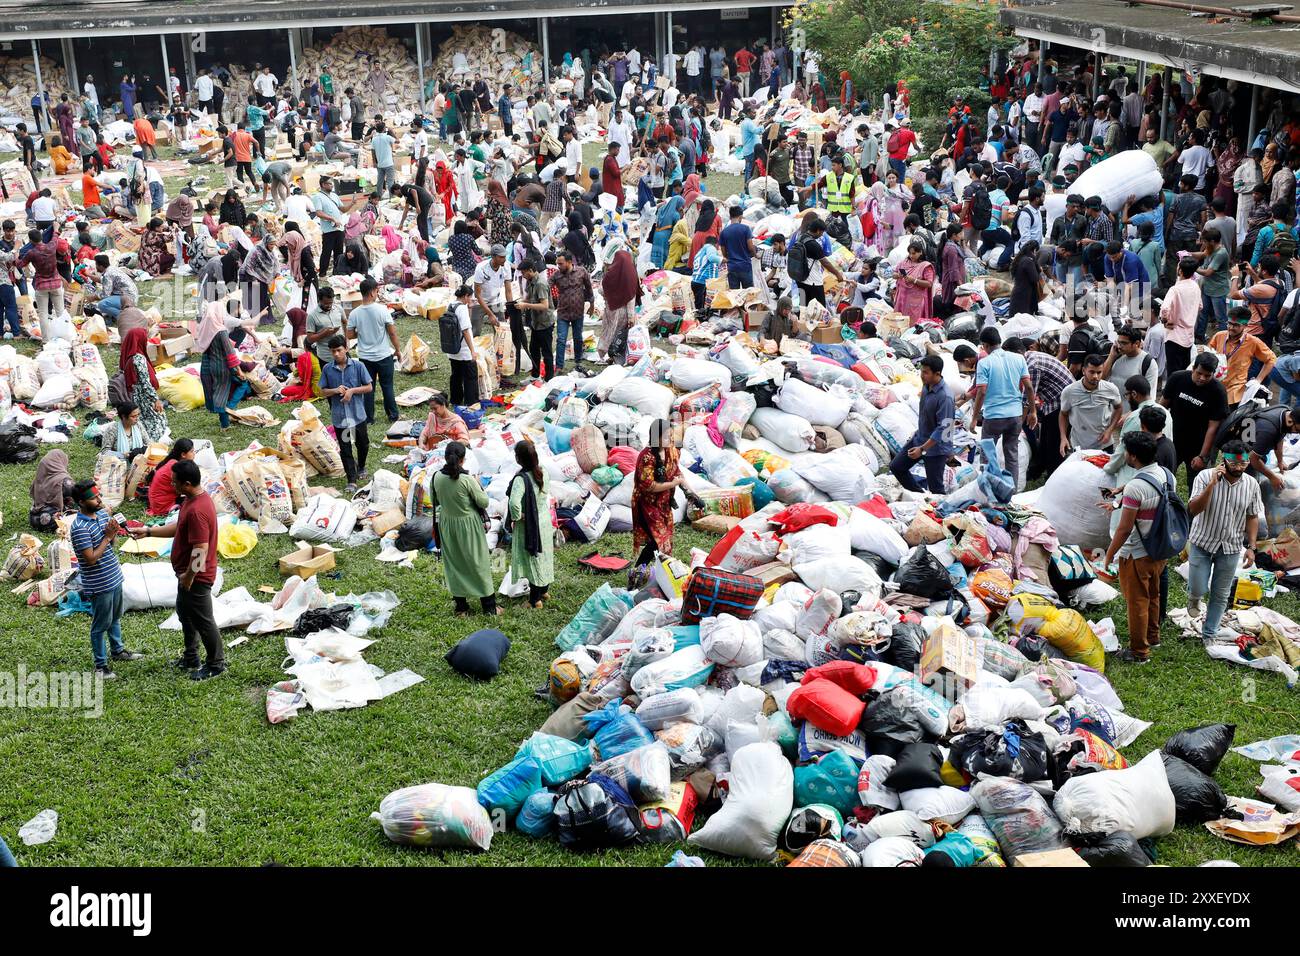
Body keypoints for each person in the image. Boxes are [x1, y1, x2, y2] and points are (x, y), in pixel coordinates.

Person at [130, 460, 225, 679]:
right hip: (186, 576)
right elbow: (179, 527)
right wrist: (149, 531)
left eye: (175, 482)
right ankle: (191, 657)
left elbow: (201, 549)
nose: (172, 485)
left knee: (204, 620)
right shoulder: (191, 500)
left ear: (188, 483)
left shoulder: (198, 510)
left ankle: (216, 664)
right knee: (185, 614)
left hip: (196, 577)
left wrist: (189, 577)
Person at [1102, 431, 1172, 664]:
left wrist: (1109, 555)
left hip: (1137, 552)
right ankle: (1153, 637)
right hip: (1160, 548)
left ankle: (1139, 652)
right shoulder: (1166, 474)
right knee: (1153, 594)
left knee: (1137, 601)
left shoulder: (1135, 487)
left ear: (1132, 456)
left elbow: (1124, 529)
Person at [1186, 439, 1263, 640]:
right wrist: (1212, 485)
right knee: (1198, 586)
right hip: (1202, 541)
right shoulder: (1204, 477)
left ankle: (1209, 633)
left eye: (1243, 464)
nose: (1239, 468)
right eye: (1234, 463)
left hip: (1230, 546)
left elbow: (1252, 516)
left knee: (1221, 594)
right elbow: (1194, 509)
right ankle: (1194, 598)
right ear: (1224, 461)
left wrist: (1251, 546)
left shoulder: (1251, 484)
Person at [69, 480, 142, 679]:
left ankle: (118, 651)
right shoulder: (79, 528)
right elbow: (90, 559)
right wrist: (108, 537)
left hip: (114, 577)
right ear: (81, 503)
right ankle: (100, 666)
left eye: (98, 495)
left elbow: (111, 544)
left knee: (115, 617)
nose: (99, 499)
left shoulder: (102, 514)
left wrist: (114, 532)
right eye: (94, 497)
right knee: (100, 624)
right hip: (99, 583)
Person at [432, 441, 498, 616]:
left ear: (445, 458)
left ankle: (461, 608)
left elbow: (435, 501)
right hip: (468, 525)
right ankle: (489, 607)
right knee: (478, 562)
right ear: (463, 460)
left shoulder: (436, 477)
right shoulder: (467, 480)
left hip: (447, 524)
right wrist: (477, 483)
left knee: (454, 563)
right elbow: (484, 502)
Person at [971, 326, 1037, 491]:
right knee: (1011, 456)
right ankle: (1011, 492)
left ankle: (988, 491)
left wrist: (974, 418)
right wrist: (1033, 411)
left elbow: (982, 391)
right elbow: (1029, 387)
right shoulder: (1019, 359)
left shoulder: (985, 362)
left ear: (985, 345)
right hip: (1015, 416)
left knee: (987, 456)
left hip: (993, 416)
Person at [889, 354, 955, 493]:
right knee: (897, 467)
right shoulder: (926, 387)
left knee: (936, 489)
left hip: (936, 448)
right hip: (920, 438)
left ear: (937, 374)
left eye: (925, 372)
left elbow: (944, 429)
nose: (922, 375)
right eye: (921, 371)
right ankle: (920, 496)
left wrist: (923, 449)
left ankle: (940, 512)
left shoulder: (945, 396)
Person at [318, 335, 374, 493]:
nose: (336, 354)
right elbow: (322, 392)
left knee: (363, 444)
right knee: (346, 448)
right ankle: (351, 479)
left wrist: (352, 391)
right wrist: (335, 390)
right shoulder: (328, 369)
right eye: (333, 351)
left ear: (346, 349)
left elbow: (369, 387)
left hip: (357, 415)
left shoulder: (358, 366)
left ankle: (361, 466)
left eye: (339, 350)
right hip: (340, 418)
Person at [506, 439, 555, 610]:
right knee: (544, 556)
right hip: (544, 520)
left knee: (533, 558)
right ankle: (544, 591)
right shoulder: (544, 472)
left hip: (530, 525)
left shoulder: (521, 479)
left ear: (519, 459)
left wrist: (518, 516)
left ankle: (535, 600)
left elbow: (514, 504)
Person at [344, 276, 400, 424]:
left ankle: (369, 418)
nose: (377, 293)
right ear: (372, 293)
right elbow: (392, 332)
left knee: (368, 389)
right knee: (387, 386)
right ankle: (392, 415)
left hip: (365, 357)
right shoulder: (382, 310)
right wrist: (398, 350)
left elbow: (349, 334)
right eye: (376, 291)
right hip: (383, 355)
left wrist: (360, 332)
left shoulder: (355, 313)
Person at [193, 299, 251, 431]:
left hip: (208, 366)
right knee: (243, 383)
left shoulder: (203, 328)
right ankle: (228, 410)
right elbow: (230, 353)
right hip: (222, 366)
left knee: (219, 394)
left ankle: (224, 423)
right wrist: (239, 371)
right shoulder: (220, 331)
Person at [632, 419, 684, 558]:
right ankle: (638, 572)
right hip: (647, 506)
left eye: (671, 436)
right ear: (656, 438)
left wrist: (691, 494)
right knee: (657, 541)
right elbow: (649, 486)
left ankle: (659, 572)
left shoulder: (670, 451)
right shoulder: (647, 457)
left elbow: (677, 472)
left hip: (664, 504)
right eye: (667, 437)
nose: (670, 439)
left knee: (663, 541)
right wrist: (673, 484)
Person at [1207, 307, 1276, 407]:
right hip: (1213, 386)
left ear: (1245, 326)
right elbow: (1208, 353)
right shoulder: (1219, 336)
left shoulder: (1253, 342)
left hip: (1234, 391)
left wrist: (1258, 380)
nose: (1231, 327)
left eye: (1236, 325)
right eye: (1229, 323)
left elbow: (1271, 359)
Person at [1060, 354, 1124, 454]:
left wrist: (1110, 430)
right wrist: (1063, 438)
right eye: (1092, 372)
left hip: (1104, 444)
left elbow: (1119, 408)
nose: (1095, 376)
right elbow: (1063, 414)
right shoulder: (1069, 391)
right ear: (1083, 371)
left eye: (1099, 372)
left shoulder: (1110, 389)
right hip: (1079, 446)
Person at [119, 327, 166, 442]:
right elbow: (145, 383)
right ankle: (150, 440)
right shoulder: (139, 358)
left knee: (141, 419)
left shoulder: (128, 356)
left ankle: (140, 438)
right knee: (158, 419)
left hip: (136, 396)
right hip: (144, 396)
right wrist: (155, 399)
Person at [553, 250, 594, 373]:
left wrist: (592, 304)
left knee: (578, 338)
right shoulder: (557, 275)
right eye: (557, 264)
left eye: (561, 264)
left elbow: (589, 287)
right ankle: (559, 367)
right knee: (561, 339)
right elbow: (546, 286)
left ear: (569, 262)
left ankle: (578, 361)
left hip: (578, 312)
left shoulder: (581, 272)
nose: (558, 266)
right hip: (563, 313)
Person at [1101, 324, 1158, 413]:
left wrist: (1129, 417)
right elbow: (1101, 379)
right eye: (1119, 342)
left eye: (1124, 343)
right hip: (1111, 416)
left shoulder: (1147, 363)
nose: (1119, 346)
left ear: (1137, 344)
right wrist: (1111, 356)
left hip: (1133, 418)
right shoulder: (1116, 357)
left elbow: (1149, 400)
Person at [599, 247, 640, 365]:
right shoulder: (632, 274)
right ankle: (619, 357)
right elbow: (631, 296)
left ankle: (607, 354)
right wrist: (631, 316)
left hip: (612, 310)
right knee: (623, 335)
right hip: (626, 312)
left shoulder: (611, 274)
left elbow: (602, 290)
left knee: (610, 333)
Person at [516, 258, 555, 380]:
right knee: (534, 350)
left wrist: (525, 305)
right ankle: (535, 374)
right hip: (536, 323)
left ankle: (549, 378)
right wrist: (521, 302)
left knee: (546, 352)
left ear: (531, 270)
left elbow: (544, 306)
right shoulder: (530, 281)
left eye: (523, 273)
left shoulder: (541, 284)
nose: (522, 275)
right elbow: (531, 298)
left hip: (545, 323)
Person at [446, 285, 480, 407]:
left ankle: (455, 399)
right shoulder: (462, 309)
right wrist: (472, 351)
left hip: (453, 348)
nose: (471, 299)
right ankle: (471, 402)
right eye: (470, 297)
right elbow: (465, 330)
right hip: (464, 350)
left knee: (456, 376)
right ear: (466, 296)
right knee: (470, 377)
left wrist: (469, 307)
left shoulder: (450, 305)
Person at [30, 449, 75, 533]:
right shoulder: (64, 481)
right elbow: (77, 498)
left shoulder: (38, 478)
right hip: (52, 521)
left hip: (35, 519)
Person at [148, 438, 195, 517]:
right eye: (192, 451)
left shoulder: (173, 462)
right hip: (162, 506)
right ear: (183, 455)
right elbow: (186, 489)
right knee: (194, 500)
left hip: (157, 501)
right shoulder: (176, 468)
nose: (194, 453)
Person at [893, 239, 936, 322]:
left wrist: (914, 280)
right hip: (902, 299)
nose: (911, 256)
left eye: (914, 253)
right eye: (910, 253)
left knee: (914, 323)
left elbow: (929, 283)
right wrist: (898, 275)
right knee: (900, 322)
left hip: (917, 302)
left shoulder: (925, 266)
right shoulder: (904, 263)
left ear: (920, 252)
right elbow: (894, 274)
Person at [719, 205, 756, 289]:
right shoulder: (746, 229)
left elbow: (724, 253)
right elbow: (750, 247)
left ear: (730, 216)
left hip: (732, 268)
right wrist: (755, 254)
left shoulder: (724, 232)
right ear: (740, 217)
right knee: (749, 294)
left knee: (734, 295)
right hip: (745, 266)